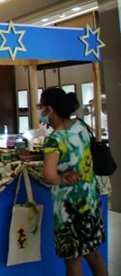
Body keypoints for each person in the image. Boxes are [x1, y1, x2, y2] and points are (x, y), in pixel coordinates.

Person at [40, 88, 107, 276]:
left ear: (50, 110)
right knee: (93, 254)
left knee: (73, 261)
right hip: (90, 201)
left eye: (41, 107)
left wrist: (62, 178)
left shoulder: (54, 140)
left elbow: (49, 176)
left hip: (68, 209)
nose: (41, 111)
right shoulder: (81, 126)